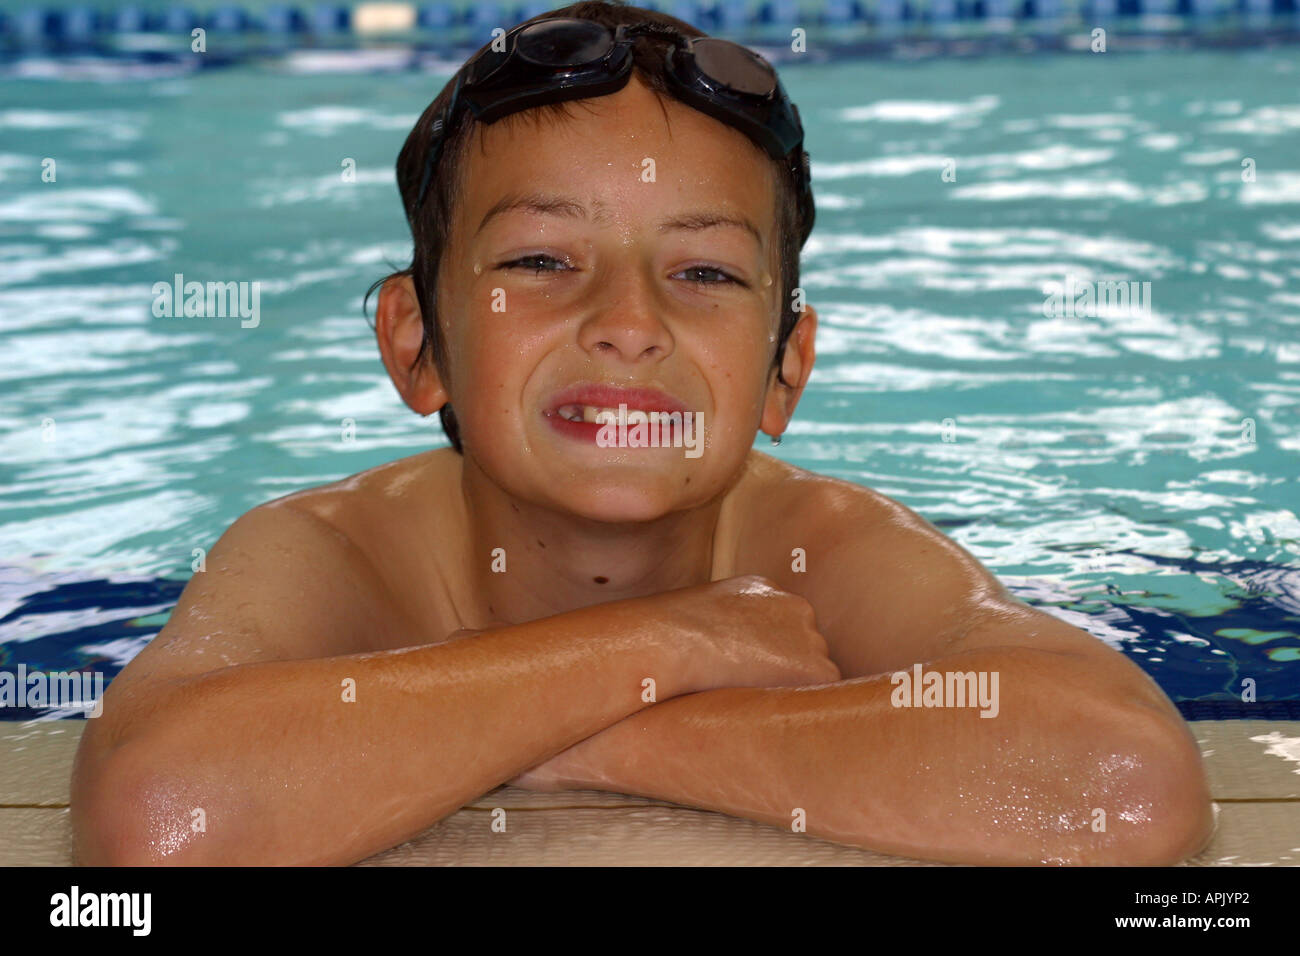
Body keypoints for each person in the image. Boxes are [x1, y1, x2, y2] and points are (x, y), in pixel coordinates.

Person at [70, 0, 1214, 866]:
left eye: (704, 270)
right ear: (418, 345)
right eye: (539, 261)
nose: (628, 324)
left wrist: (545, 721)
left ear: (784, 369)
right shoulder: (330, 550)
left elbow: (1121, 782)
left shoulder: (828, 544)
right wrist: (661, 643)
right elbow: (158, 813)